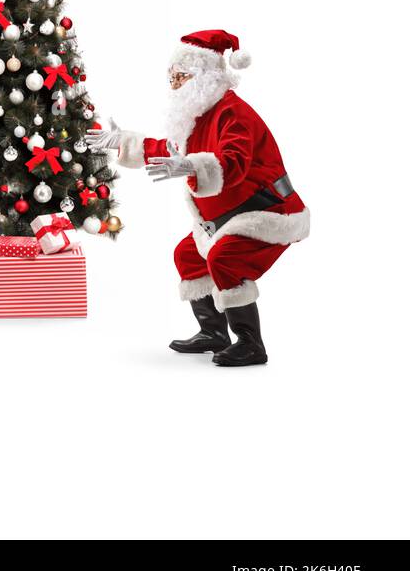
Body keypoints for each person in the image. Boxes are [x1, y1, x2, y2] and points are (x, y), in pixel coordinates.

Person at [87, 30, 309, 366]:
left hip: (267, 212)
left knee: (223, 259)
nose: (174, 84)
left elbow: (233, 163)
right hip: (221, 219)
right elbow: (170, 150)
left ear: (206, 77)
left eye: (181, 76)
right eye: (171, 76)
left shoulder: (233, 113)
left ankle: (251, 343)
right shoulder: (198, 115)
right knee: (189, 256)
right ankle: (214, 333)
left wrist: (190, 165)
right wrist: (121, 141)